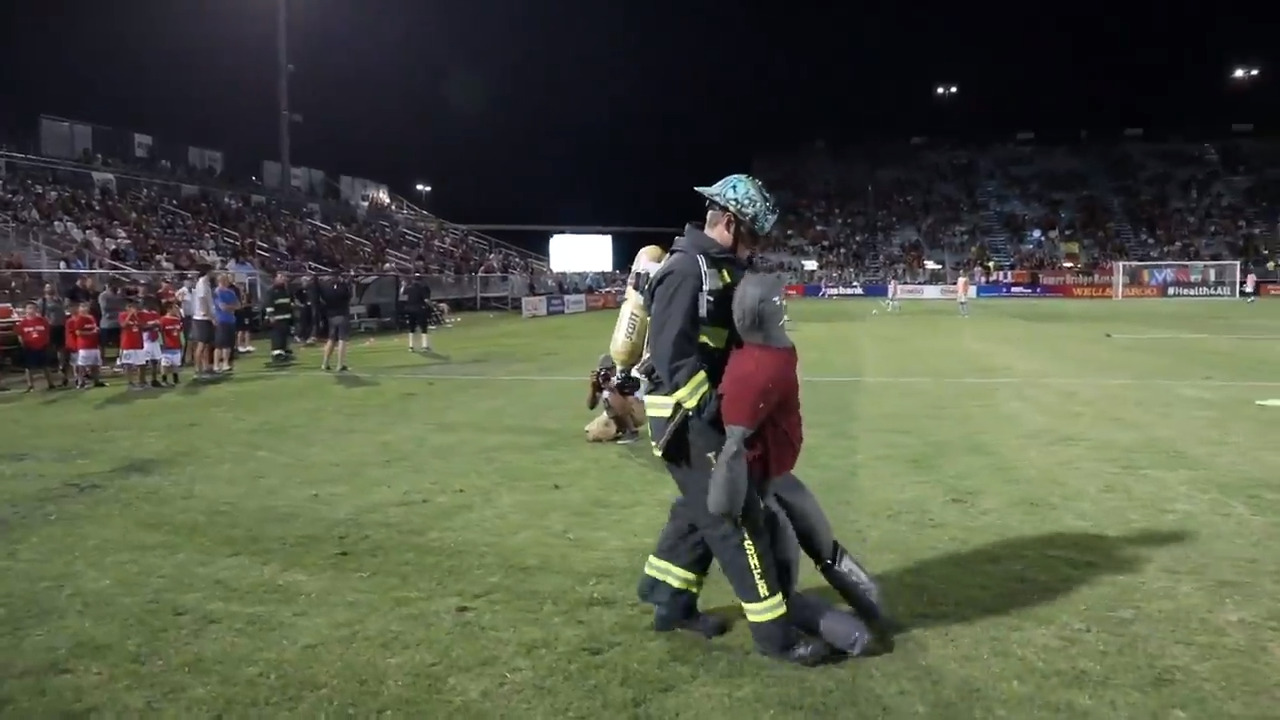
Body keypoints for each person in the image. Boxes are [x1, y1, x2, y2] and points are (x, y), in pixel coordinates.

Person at [635, 174, 830, 665]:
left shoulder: (718, 268)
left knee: (697, 514)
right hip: (685, 418)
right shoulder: (686, 270)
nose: (756, 248)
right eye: (754, 236)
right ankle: (776, 637)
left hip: (704, 416)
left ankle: (669, 601)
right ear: (728, 221)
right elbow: (671, 357)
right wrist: (713, 415)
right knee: (736, 519)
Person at [706, 273, 885, 655]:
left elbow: (736, 444)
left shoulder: (762, 362)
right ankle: (863, 621)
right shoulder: (772, 358)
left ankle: (864, 624)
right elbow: (737, 443)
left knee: (803, 566)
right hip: (771, 479)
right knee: (809, 562)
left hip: (770, 477)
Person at [585, 354, 645, 444]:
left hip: (636, 410)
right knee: (592, 434)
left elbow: (632, 394)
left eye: (609, 369)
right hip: (615, 413)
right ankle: (618, 430)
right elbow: (591, 406)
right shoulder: (603, 379)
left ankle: (631, 431)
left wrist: (613, 388)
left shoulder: (626, 375)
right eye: (603, 370)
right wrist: (593, 388)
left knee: (610, 395)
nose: (606, 372)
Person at [16, 302, 56, 392]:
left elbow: (47, 332)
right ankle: (30, 385)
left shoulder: (43, 321)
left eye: (33, 308)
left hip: (42, 346)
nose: (31, 310)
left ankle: (51, 384)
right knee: (29, 368)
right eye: (29, 308)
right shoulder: (23, 323)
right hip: (29, 348)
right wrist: (23, 345)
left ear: (36, 310)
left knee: (45, 366)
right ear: (26, 310)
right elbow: (20, 335)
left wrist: (47, 343)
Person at [67, 302, 106, 389]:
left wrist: (96, 330)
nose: (85, 309)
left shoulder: (92, 318)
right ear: (79, 309)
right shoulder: (79, 319)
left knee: (95, 364)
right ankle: (81, 382)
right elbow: (78, 332)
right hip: (84, 345)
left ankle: (97, 381)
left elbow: (94, 328)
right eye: (83, 307)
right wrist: (91, 332)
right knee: (82, 365)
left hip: (94, 344)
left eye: (86, 307)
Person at [39, 284, 71, 387]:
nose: (50, 289)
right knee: (49, 352)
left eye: (51, 287)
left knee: (62, 351)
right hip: (49, 328)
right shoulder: (42, 302)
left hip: (60, 327)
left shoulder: (59, 300)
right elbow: (40, 315)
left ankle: (63, 374)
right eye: (48, 287)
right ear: (44, 289)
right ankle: (50, 380)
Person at [319, 273, 352, 372]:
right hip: (342, 314)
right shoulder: (342, 287)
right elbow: (349, 296)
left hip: (331, 315)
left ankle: (325, 363)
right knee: (342, 339)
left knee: (331, 339)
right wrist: (348, 284)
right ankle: (340, 364)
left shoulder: (325, 288)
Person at [191, 266, 217, 378]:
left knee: (207, 344)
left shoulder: (206, 284)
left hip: (206, 317)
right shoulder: (201, 284)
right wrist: (210, 316)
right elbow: (202, 301)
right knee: (201, 344)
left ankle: (206, 367)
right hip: (202, 318)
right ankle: (198, 369)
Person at [118, 297, 148, 390]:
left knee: (141, 364)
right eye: (133, 306)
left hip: (138, 343)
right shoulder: (122, 315)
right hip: (128, 344)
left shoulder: (138, 316)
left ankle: (141, 382)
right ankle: (130, 383)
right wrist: (129, 315)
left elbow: (143, 326)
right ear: (128, 307)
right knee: (128, 364)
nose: (135, 308)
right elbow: (123, 325)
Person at [212, 274, 239, 374]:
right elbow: (222, 307)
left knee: (228, 344)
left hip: (231, 320)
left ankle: (225, 364)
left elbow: (238, 305)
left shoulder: (231, 292)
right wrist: (231, 307)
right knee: (219, 344)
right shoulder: (217, 292)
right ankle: (216, 365)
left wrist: (230, 307)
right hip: (221, 320)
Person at [265, 273, 295, 362]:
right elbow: (268, 303)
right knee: (277, 336)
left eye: (284, 277)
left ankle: (284, 351)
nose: (283, 279)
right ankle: (277, 353)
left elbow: (290, 302)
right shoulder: (271, 291)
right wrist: (271, 316)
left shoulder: (286, 290)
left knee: (285, 336)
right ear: (275, 279)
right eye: (281, 277)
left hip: (286, 317)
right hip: (277, 318)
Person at [403, 272, 432, 352]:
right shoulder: (424, 287)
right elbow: (426, 300)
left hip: (409, 309)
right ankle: (424, 346)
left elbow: (403, 294)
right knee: (423, 327)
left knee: (411, 328)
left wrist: (404, 284)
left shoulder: (409, 287)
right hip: (420, 309)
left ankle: (411, 346)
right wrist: (431, 306)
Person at [158, 303, 184, 385]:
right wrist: (162, 343)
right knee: (165, 364)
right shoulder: (163, 320)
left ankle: (175, 379)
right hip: (167, 346)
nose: (177, 310)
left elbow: (180, 331)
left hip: (176, 345)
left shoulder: (177, 320)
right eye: (175, 308)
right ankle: (164, 380)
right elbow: (160, 332)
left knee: (175, 364)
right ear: (169, 309)